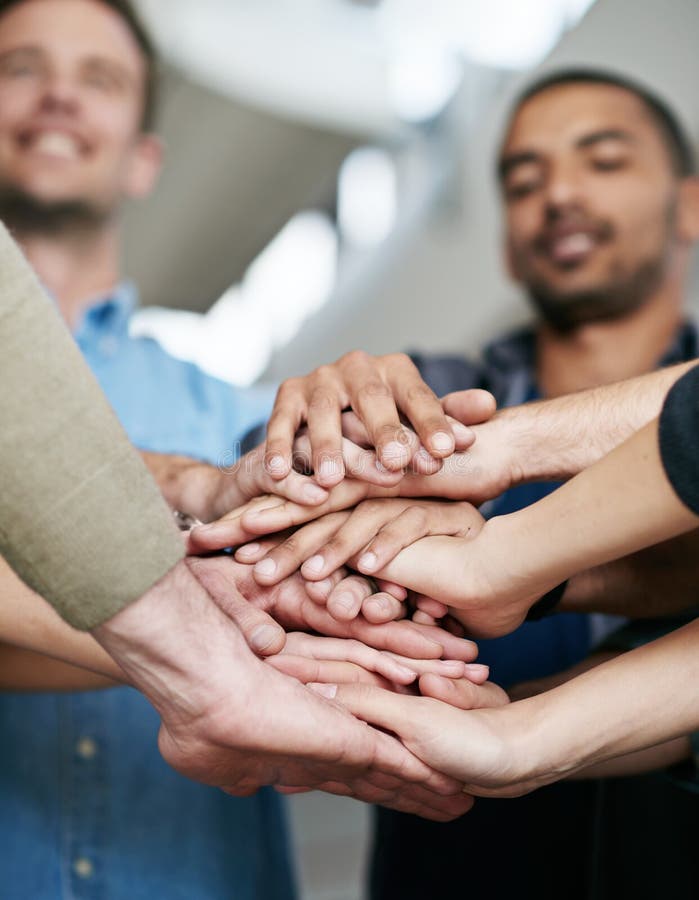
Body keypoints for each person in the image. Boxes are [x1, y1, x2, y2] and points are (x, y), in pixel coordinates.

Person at [0, 2, 478, 897]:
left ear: (145, 158)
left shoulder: (244, 420)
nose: (59, 95)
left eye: (98, 79)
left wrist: (387, 464)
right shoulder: (218, 466)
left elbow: (344, 597)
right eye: (22, 67)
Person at [232, 69, 699, 899]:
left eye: (602, 160)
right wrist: (304, 447)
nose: (556, 193)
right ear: (508, 242)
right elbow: (267, 526)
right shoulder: (435, 404)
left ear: (689, 205)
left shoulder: (485, 440)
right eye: (523, 180)